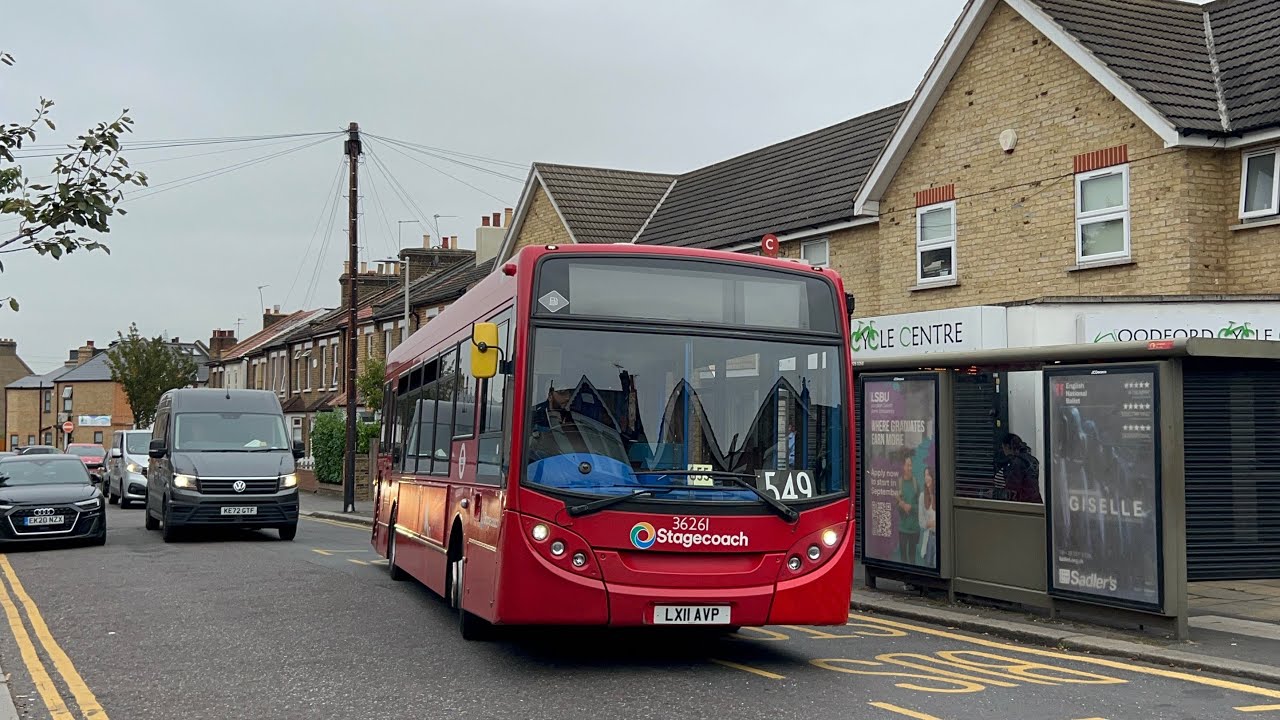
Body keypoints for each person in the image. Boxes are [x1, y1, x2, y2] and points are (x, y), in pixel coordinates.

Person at [996, 433, 1042, 504]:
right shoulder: (1032, 460)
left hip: (1023, 504)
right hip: (1036, 502)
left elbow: (1011, 487)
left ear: (1007, 446)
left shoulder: (1016, 462)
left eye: (1003, 448)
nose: (1003, 451)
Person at [897, 455, 921, 564]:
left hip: (914, 528)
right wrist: (902, 506)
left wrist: (911, 507)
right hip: (903, 528)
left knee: (912, 558)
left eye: (911, 465)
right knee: (903, 558)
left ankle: (911, 580)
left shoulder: (916, 484)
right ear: (903, 467)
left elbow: (921, 506)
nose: (910, 468)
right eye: (908, 465)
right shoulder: (899, 483)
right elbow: (895, 506)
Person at [918, 465, 937, 566]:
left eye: (929, 475)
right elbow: (921, 522)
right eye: (925, 475)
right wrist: (930, 524)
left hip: (939, 538)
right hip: (929, 537)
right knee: (928, 565)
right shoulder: (922, 497)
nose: (926, 477)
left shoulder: (939, 494)